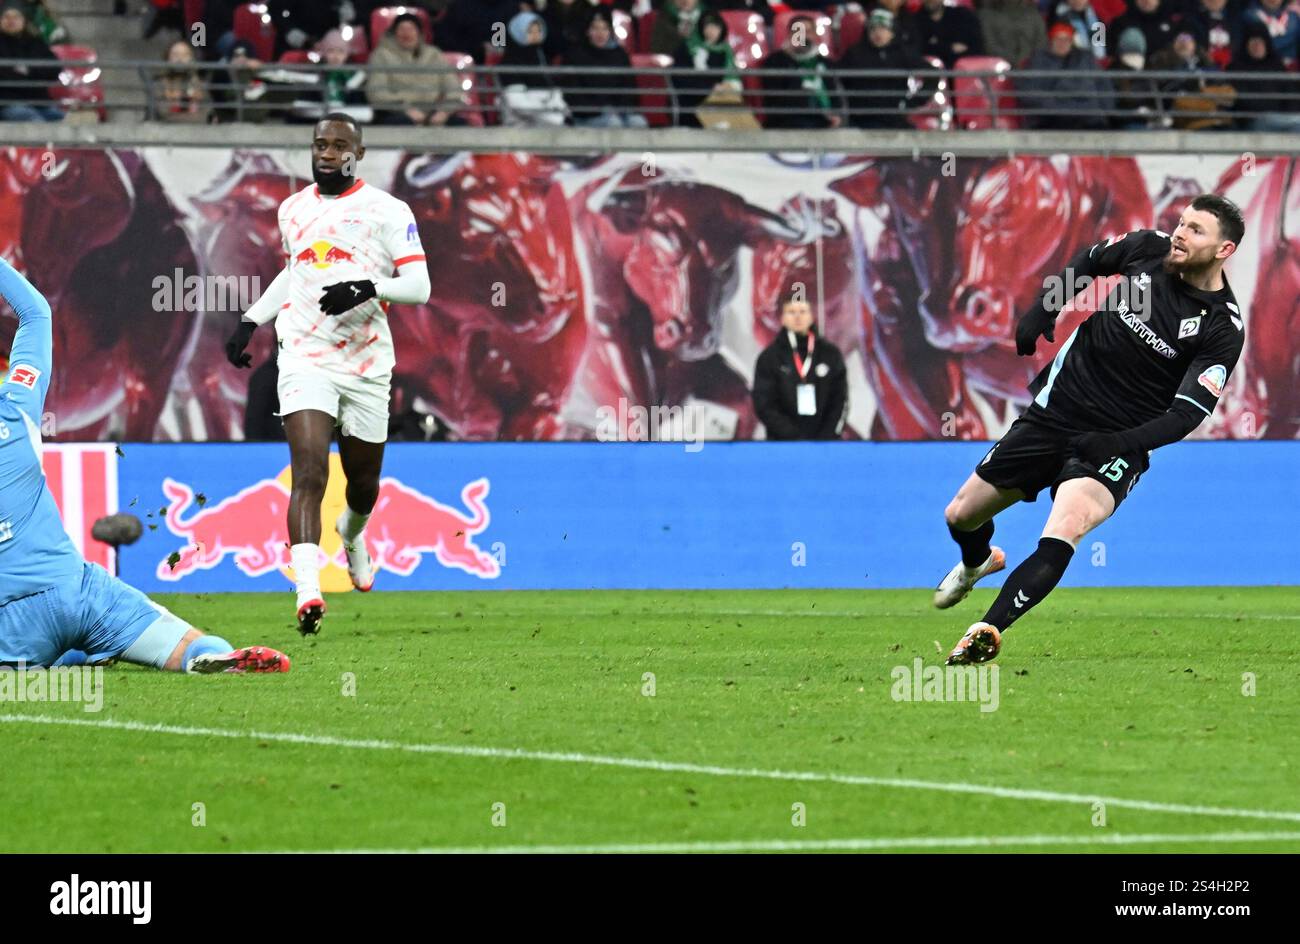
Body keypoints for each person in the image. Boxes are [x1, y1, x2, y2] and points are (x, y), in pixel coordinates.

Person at [935, 195, 1246, 666]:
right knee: (960, 515)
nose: (1180, 234)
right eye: (1181, 223)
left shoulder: (1221, 326)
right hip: (1054, 413)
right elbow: (1091, 261)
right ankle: (978, 561)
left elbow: (1187, 414)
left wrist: (1119, 443)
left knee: (1066, 527)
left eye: (1195, 230)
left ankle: (987, 630)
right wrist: (1045, 308)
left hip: (1114, 443)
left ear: (1224, 250)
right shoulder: (1148, 250)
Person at [0, 256, 289, 673]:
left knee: (36, 659)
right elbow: (36, 313)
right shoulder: (17, 408)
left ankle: (65, 656)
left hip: (13, 623)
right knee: (183, 643)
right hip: (79, 590)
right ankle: (206, 654)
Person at [224, 114, 431, 636]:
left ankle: (353, 534)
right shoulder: (293, 209)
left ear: (358, 153)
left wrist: (367, 288)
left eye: (340, 145)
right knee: (310, 472)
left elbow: (420, 285)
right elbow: (295, 271)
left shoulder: (388, 210)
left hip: (365, 363)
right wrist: (251, 319)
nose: (329, 152)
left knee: (363, 485)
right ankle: (308, 591)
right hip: (304, 356)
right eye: (321, 144)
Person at [751, 293, 848, 440]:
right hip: (782, 444)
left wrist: (826, 436)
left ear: (811, 315)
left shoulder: (830, 354)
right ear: (782, 317)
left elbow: (840, 399)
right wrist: (793, 435)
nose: (797, 317)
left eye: (802, 312)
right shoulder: (770, 358)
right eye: (791, 312)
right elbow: (764, 404)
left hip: (824, 444)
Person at [368, 12, 469, 127]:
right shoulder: (381, 56)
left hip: (433, 113)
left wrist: (444, 112)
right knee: (402, 123)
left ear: (419, 33)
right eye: (402, 29)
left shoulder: (434, 54)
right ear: (394, 33)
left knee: (460, 124)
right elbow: (377, 93)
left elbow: (453, 88)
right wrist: (405, 109)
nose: (406, 33)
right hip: (396, 113)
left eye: (411, 29)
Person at [839, 8, 935, 128]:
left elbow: (933, 75)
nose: (877, 33)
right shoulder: (854, 53)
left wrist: (910, 104)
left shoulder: (902, 53)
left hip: (894, 117)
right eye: (873, 29)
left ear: (892, 32)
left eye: (883, 28)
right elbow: (838, 79)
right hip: (861, 119)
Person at [563, 8, 649, 127]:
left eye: (605, 28)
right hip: (587, 116)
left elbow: (630, 89)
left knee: (638, 123)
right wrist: (600, 109)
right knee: (613, 123)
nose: (600, 33)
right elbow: (574, 95)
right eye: (595, 28)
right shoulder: (575, 56)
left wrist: (619, 108)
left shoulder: (620, 54)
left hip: (618, 111)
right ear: (587, 31)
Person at [1020, 21, 1114, 129]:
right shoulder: (1038, 61)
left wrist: (1103, 111)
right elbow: (1030, 94)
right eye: (1058, 39)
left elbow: (1104, 86)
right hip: (1051, 120)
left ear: (1072, 42)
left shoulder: (1086, 58)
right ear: (1051, 41)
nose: (1062, 43)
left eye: (1066, 39)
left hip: (1088, 118)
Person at [759, 13, 842, 128]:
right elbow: (774, 101)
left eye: (807, 32)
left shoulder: (825, 63)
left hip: (824, 123)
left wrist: (836, 115)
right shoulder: (774, 62)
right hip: (788, 123)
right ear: (789, 35)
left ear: (815, 35)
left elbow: (835, 96)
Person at [670, 10, 741, 126]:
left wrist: (727, 86)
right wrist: (710, 88)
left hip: (719, 102)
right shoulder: (686, 49)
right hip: (691, 104)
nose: (712, 31)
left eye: (716, 27)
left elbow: (730, 78)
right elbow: (680, 79)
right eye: (708, 27)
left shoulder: (725, 52)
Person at [498, 11, 569, 126]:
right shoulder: (509, 62)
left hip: (549, 121)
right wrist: (553, 118)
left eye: (538, 31)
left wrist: (561, 112)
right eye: (530, 31)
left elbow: (553, 89)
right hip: (520, 124)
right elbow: (517, 103)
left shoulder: (542, 56)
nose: (536, 35)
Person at [1228, 20, 1300, 130]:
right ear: (1246, 45)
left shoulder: (1276, 66)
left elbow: (1291, 96)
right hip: (1253, 122)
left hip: (1283, 120)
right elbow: (1242, 101)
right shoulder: (1236, 68)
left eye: (1261, 42)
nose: (1257, 46)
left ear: (1267, 44)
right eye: (1253, 42)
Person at [0, 1, 62, 122]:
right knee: (35, 121)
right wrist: (33, 74)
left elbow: (54, 69)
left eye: (16, 17)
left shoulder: (35, 42)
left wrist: (27, 70)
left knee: (60, 120)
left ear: (23, 20)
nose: (11, 21)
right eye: (6, 17)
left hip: (40, 103)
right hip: (8, 103)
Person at [152, 40, 210, 123]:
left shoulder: (200, 83)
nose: (180, 59)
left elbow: (206, 113)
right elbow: (163, 114)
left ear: (192, 58)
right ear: (168, 58)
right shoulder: (159, 83)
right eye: (175, 55)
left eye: (185, 55)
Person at [916, 0, 986, 68]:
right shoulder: (916, 20)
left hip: (966, 69)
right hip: (931, 71)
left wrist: (938, 45)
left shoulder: (962, 15)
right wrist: (949, 48)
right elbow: (919, 49)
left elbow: (976, 45)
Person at [982, 0, 1049, 68]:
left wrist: (1029, 60)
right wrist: (1012, 60)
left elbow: (1041, 43)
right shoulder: (987, 15)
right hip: (998, 67)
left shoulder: (1033, 15)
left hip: (1033, 67)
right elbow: (990, 45)